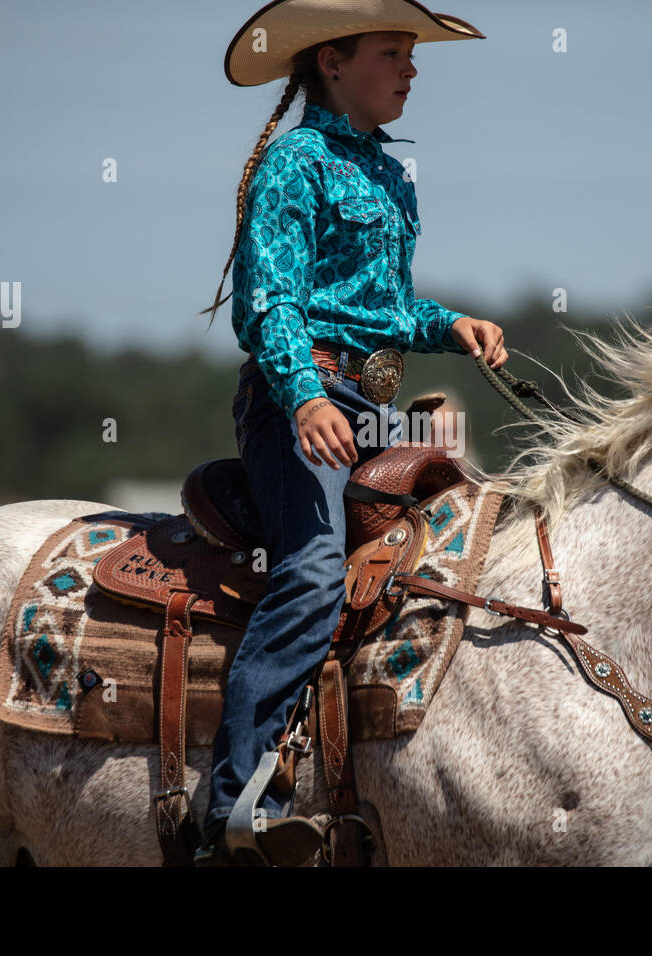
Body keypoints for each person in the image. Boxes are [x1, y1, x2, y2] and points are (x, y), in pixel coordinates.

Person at [196, 0, 507, 865]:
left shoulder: (392, 174)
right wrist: (303, 398)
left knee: (466, 539)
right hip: (302, 402)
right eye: (392, 52)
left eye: (412, 53)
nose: (411, 69)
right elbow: (272, 304)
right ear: (332, 62)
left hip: (372, 404)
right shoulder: (294, 163)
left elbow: (384, 306)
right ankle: (234, 808)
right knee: (312, 568)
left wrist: (450, 326)